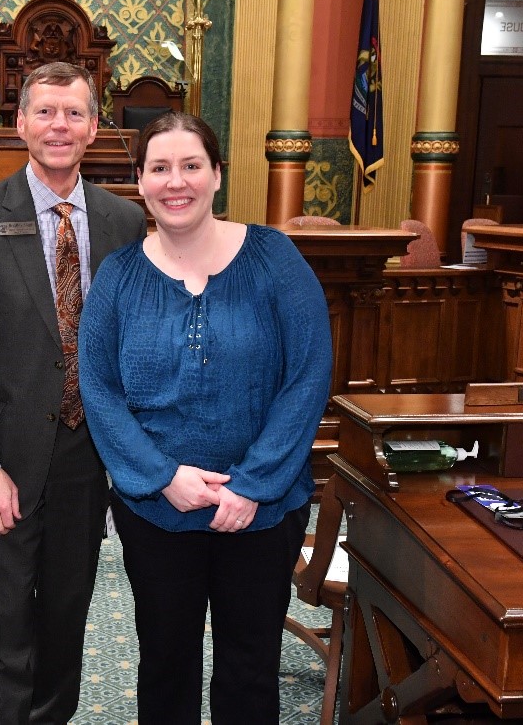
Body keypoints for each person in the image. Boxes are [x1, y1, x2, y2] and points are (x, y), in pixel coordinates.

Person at [78, 112, 333, 724]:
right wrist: (164, 476)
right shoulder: (117, 278)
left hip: (263, 511)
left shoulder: (275, 258)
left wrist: (254, 484)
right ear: (139, 181)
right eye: (159, 168)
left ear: (217, 174)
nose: (176, 182)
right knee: (165, 663)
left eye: (191, 166)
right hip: (157, 511)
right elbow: (100, 390)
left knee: (250, 665)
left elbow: (308, 376)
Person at [0, 61, 147, 724]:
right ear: (20, 122)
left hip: (87, 454)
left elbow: (132, 344)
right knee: (0, 626)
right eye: (46, 112)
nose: (60, 125)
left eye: (74, 113)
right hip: (2, 459)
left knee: (64, 617)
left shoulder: (124, 223)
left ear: (93, 128)